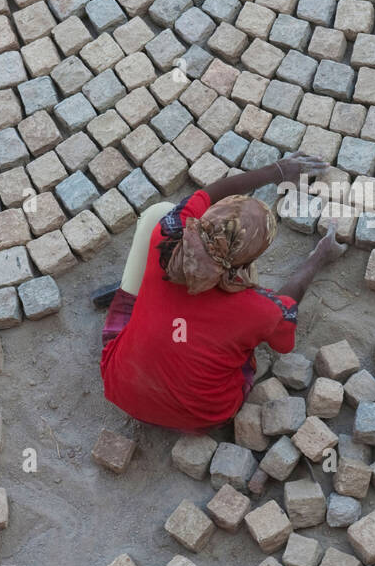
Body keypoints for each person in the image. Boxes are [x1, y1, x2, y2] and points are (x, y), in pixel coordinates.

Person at [97, 154, 346, 433]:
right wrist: (319, 256)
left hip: (120, 385)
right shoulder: (259, 309)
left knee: (157, 214)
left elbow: (209, 192)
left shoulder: (168, 236)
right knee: (244, 339)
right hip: (200, 416)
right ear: (243, 262)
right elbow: (284, 331)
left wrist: (274, 169)